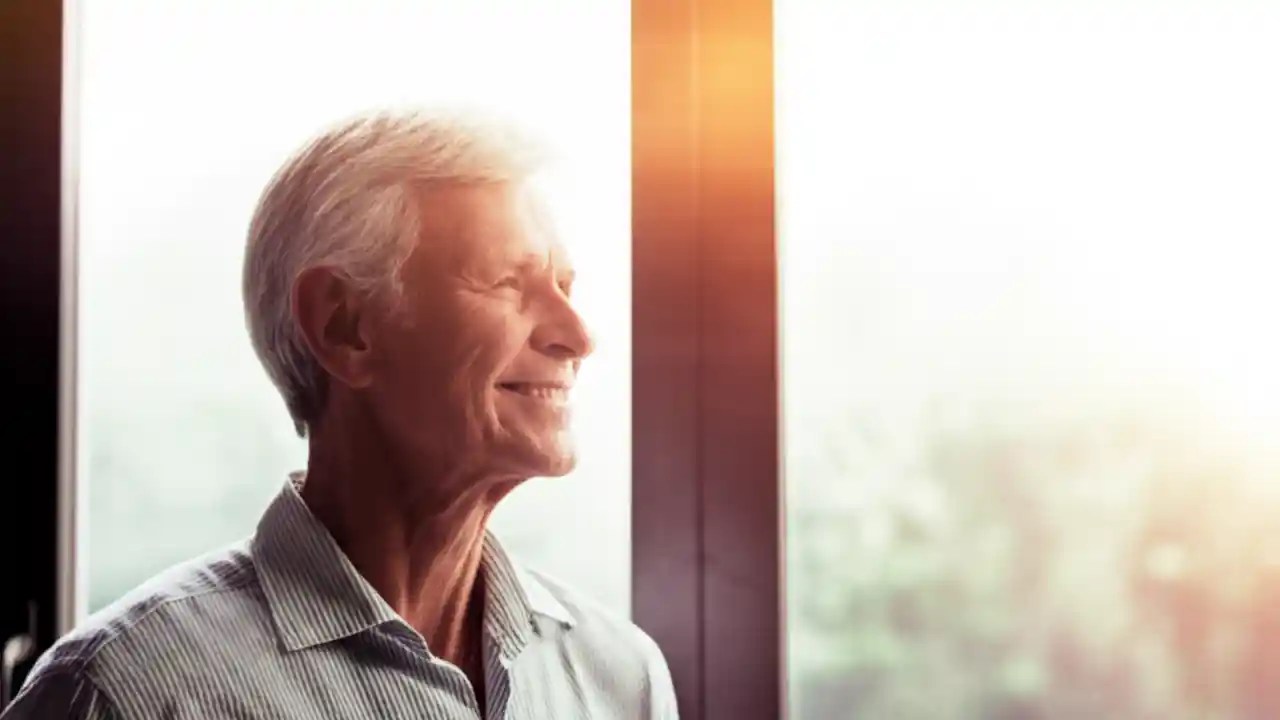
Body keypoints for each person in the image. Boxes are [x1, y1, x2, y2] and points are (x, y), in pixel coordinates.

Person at [3, 109, 678, 719]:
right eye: (507, 281)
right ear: (344, 326)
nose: (577, 335)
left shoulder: (619, 676)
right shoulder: (121, 691)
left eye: (564, 286)